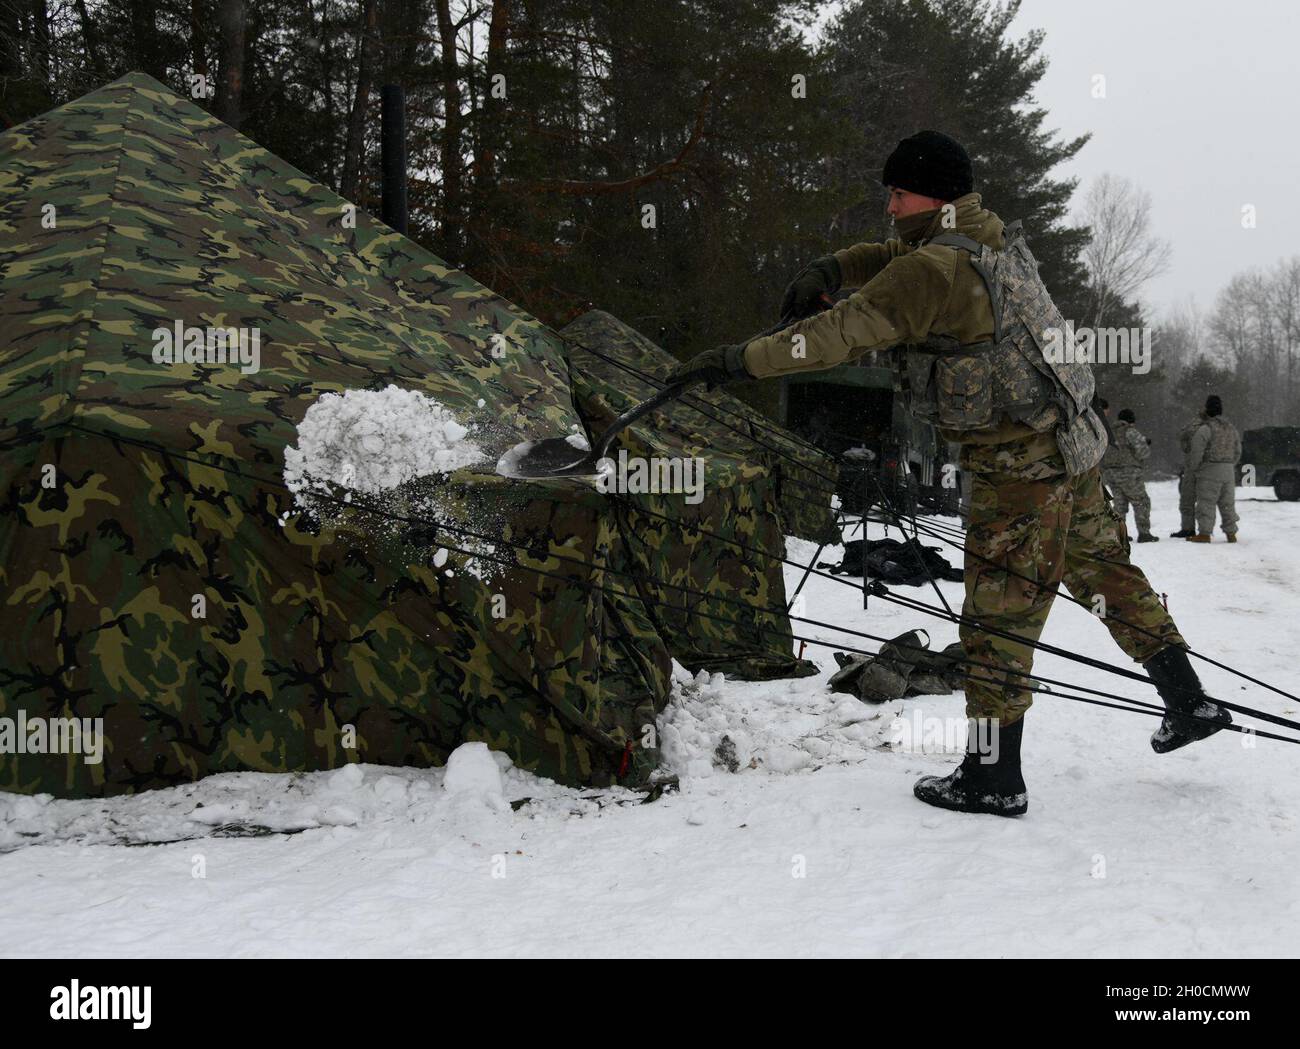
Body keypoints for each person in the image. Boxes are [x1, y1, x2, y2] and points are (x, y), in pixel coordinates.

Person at [670, 130, 1231, 817]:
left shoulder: (930, 271)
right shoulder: (985, 236)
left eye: (898, 195)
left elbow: (835, 333)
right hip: (1072, 449)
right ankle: (1189, 699)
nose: (889, 208)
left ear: (932, 198)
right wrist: (831, 265)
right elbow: (892, 257)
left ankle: (993, 777)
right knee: (1109, 575)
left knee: (996, 615)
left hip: (1018, 471)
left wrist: (737, 361)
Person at [1186, 395, 1241, 543]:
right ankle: (1231, 533)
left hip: (1210, 470)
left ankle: (1204, 533)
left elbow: (1197, 451)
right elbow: (1238, 451)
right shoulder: (1231, 429)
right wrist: (1229, 464)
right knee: (1228, 504)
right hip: (1228, 471)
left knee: (1206, 503)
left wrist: (1195, 468)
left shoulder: (1205, 429)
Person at [1099, 404, 1158, 541]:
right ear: (1131, 420)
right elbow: (1143, 452)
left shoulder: (1108, 432)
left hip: (1111, 473)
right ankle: (1144, 533)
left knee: (1119, 504)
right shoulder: (1130, 431)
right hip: (1129, 473)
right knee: (1141, 502)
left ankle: (1119, 535)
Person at [1170, 413, 1203, 538]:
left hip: (1193, 467)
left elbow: (1182, 437)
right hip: (1205, 467)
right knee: (1203, 502)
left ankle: (1188, 528)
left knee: (1188, 500)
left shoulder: (1192, 426)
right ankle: (1204, 530)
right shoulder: (1215, 426)